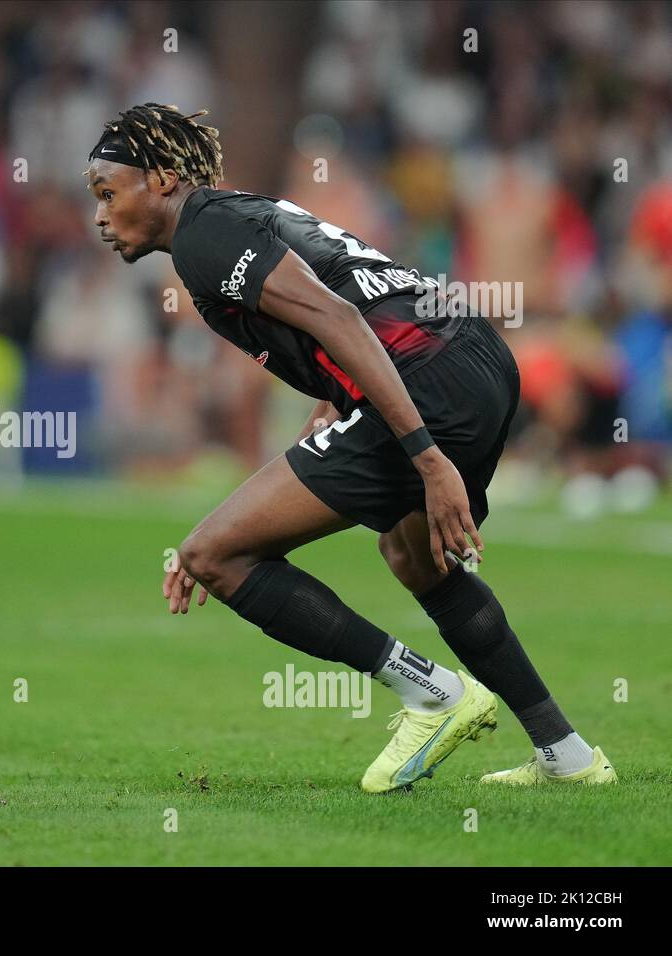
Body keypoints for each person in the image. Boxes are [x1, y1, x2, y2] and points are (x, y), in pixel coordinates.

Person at [87, 103, 615, 792]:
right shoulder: (243, 209)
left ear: (159, 180)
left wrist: (428, 458)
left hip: (426, 381)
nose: (99, 216)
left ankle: (433, 694)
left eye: (107, 193)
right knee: (413, 554)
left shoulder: (203, 236)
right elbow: (354, 289)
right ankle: (568, 755)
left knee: (214, 553)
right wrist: (335, 398)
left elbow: (335, 314)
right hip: (473, 352)